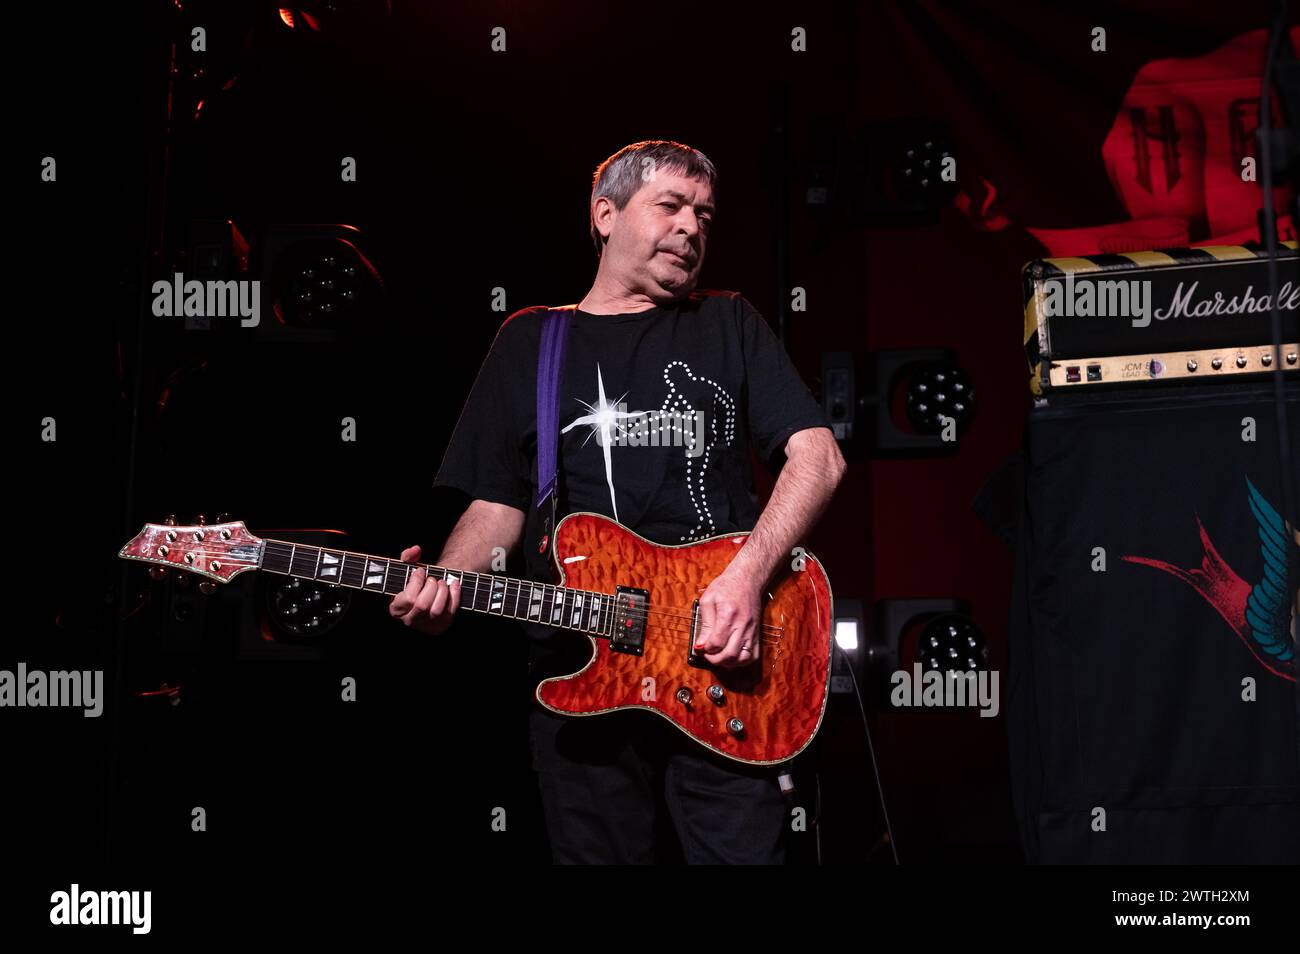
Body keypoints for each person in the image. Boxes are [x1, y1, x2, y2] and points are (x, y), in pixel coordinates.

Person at [389, 139, 846, 863]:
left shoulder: (726, 323)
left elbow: (817, 456)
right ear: (605, 215)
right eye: (670, 205)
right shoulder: (531, 341)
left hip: (722, 668)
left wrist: (745, 579)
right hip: (577, 669)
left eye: (704, 213)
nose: (692, 226)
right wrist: (447, 577)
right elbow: (499, 509)